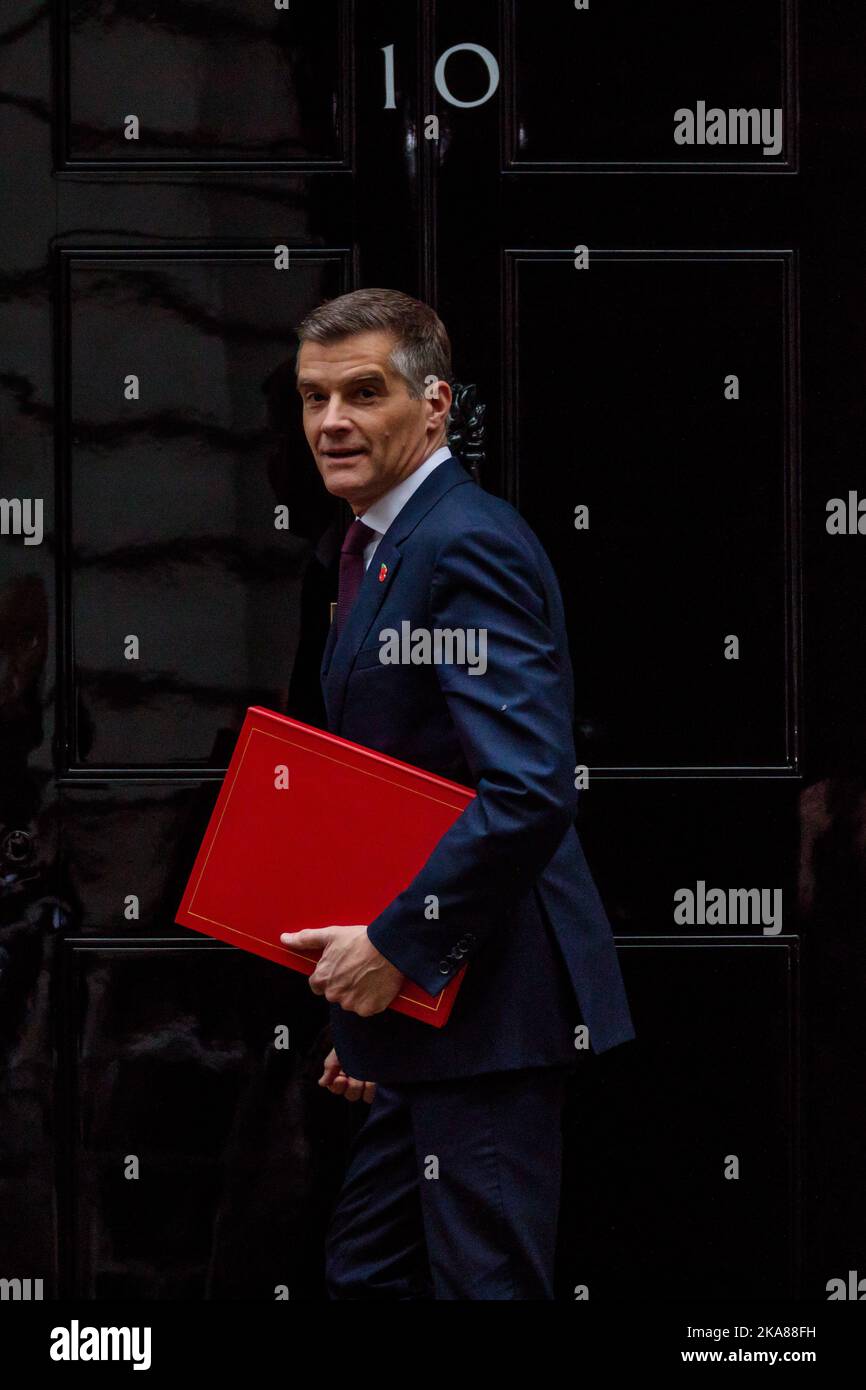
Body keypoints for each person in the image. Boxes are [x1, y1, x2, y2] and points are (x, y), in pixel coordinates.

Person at [280, 287, 635, 1300]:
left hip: (488, 1007)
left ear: (433, 406)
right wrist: (374, 1015)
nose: (332, 421)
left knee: (484, 1285)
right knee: (366, 1272)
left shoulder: (459, 541)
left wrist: (395, 951)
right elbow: (403, 784)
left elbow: (526, 789)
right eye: (313, 398)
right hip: (436, 1013)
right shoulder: (380, 544)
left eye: (362, 392)